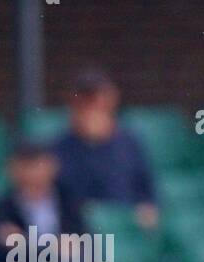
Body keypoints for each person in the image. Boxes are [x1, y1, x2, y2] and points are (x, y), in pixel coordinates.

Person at [51, 68, 159, 230]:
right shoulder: (58, 148)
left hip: (125, 227)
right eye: (84, 101)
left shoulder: (128, 143)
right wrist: (90, 142)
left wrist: (148, 209)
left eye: (96, 100)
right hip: (80, 233)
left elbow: (147, 189)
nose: (91, 108)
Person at [0, 141, 88, 262]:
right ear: (13, 169)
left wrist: (26, 244)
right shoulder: (3, 207)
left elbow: (81, 244)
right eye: (27, 165)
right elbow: (4, 254)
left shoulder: (68, 203)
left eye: (37, 164)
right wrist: (54, 248)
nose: (33, 173)